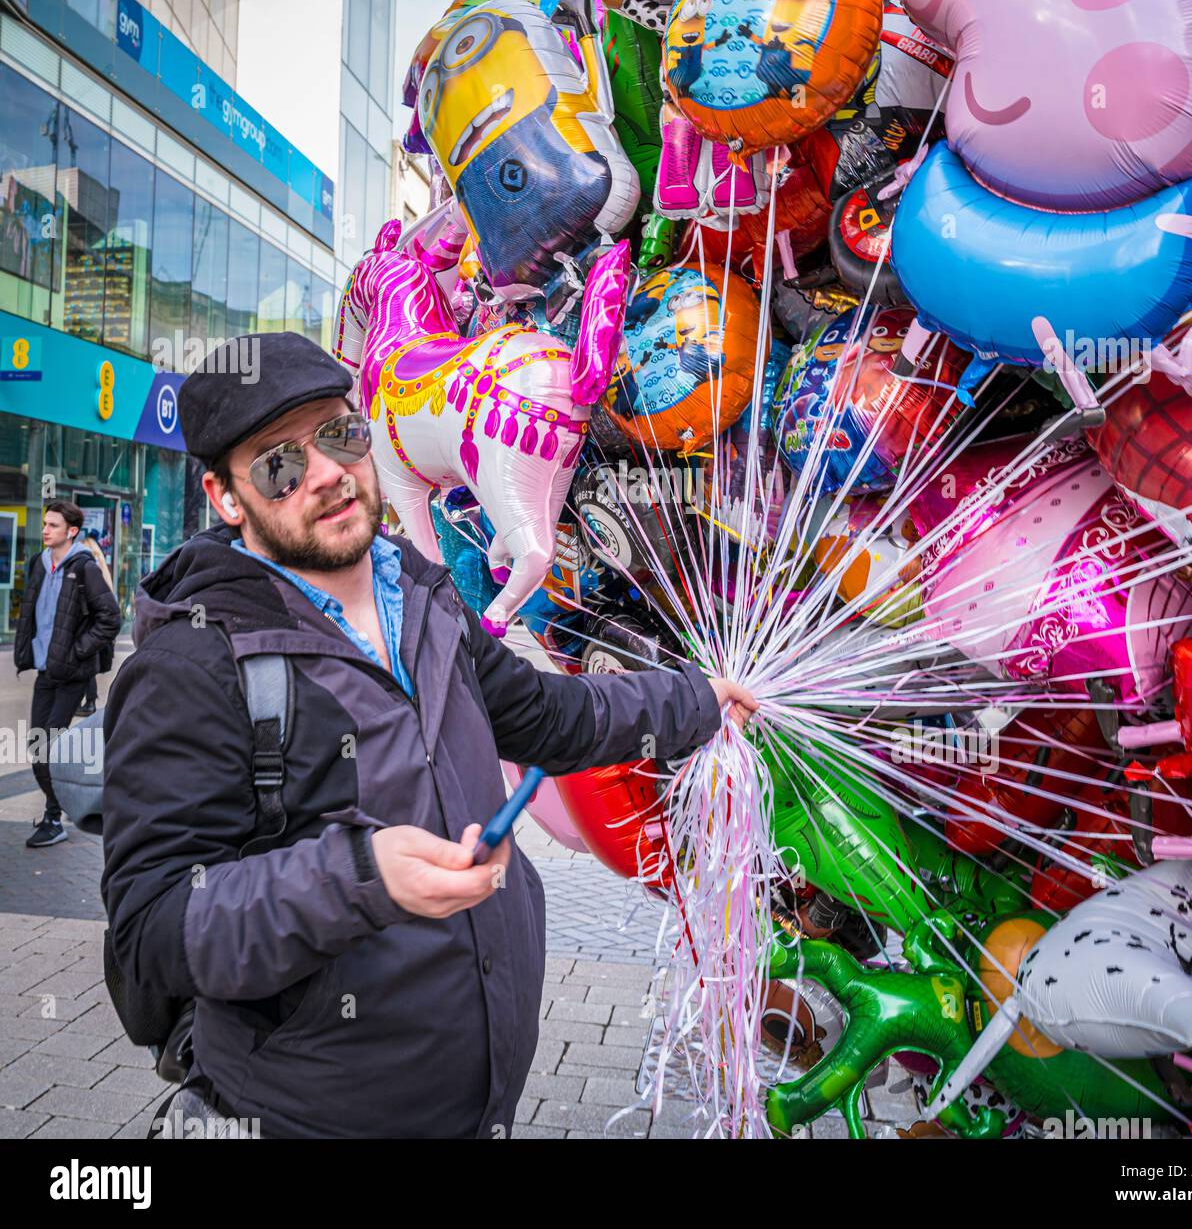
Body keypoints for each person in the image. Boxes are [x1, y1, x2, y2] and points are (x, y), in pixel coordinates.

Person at [101, 332, 757, 1139]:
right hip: (307, 1118)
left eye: (341, 435)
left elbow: (548, 717)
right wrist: (360, 876)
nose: (329, 475)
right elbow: (155, 927)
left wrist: (696, 701)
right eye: (279, 464)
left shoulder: (422, 590)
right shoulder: (192, 660)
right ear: (226, 497)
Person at [14, 499, 122, 847]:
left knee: (49, 749)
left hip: (71, 674)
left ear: (71, 531)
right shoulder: (40, 564)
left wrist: (77, 652)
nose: (45, 529)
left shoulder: (84, 567)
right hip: (46, 671)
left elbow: (110, 618)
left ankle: (53, 816)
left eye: (53, 525)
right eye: (45, 524)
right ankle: (61, 806)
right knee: (37, 748)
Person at [74, 531, 113, 717]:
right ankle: (89, 700)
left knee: (87, 663)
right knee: (89, 664)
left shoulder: (87, 567)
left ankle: (89, 701)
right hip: (97, 623)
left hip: (89, 621)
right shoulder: (101, 566)